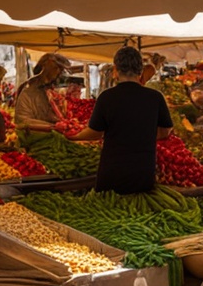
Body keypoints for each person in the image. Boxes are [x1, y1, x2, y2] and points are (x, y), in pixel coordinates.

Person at [69, 47, 172, 193]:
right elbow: (166, 130)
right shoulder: (155, 97)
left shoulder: (107, 97)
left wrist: (73, 137)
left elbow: (95, 133)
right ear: (141, 70)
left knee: (111, 209)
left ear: (115, 70)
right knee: (139, 210)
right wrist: (142, 136)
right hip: (143, 171)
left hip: (113, 171)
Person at [15, 53, 71, 133]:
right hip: (34, 136)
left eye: (61, 69)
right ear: (45, 64)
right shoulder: (28, 87)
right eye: (56, 67)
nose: (58, 71)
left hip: (56, 134)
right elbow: (22, 120)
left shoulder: (55, 89)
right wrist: (52, 127)